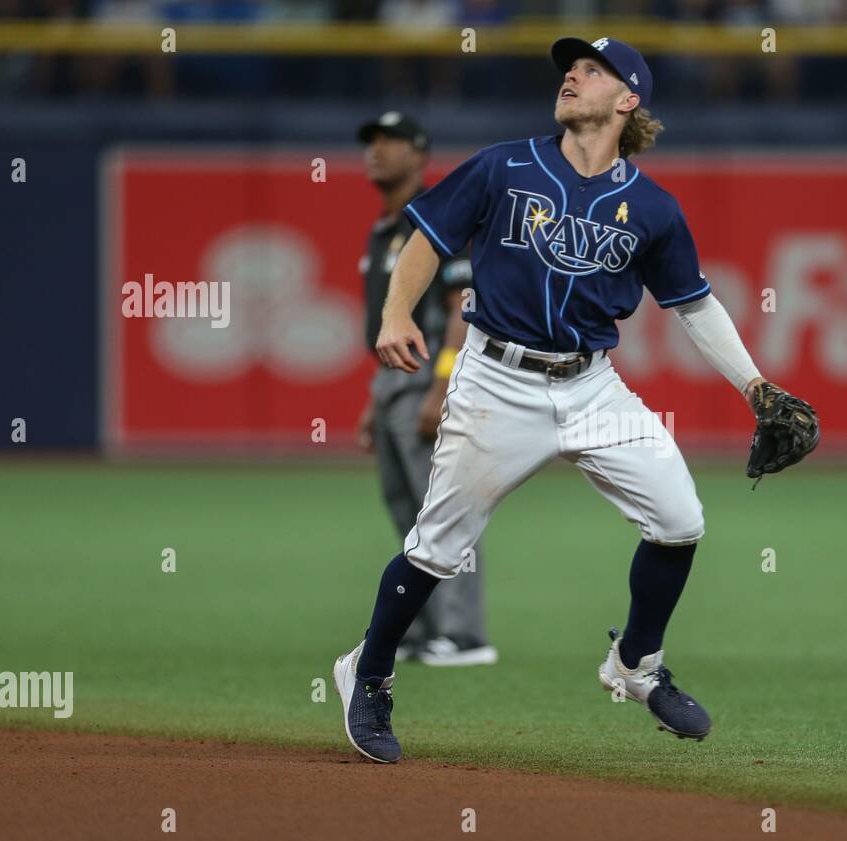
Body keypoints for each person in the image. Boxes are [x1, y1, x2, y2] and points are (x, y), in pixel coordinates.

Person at [332, 37, 816, 763]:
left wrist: (755, 385)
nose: (573, 74)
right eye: (571, 66)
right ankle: (366, 673)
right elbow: (427, 238)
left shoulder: (651, 207)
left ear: (627, 100)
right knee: (438, 549)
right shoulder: (505, 165)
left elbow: (694, 304)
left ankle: (635, 666)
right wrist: (396, 312)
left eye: (593, 70)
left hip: (590, 384)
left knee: (680, 518)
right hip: (496, 378)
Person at [355, 110, 496, 667]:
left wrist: (442, 390)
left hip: (428, 380)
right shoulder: (383, 231)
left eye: (392, 142)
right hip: (392, 383)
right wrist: (374, 398)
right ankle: (418, 629)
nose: (378, 150)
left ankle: (464, 635)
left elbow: (460, 310)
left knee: (444, 510)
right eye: (373, 141)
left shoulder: (437, 220)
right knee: (405, 511)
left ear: (419, 155)